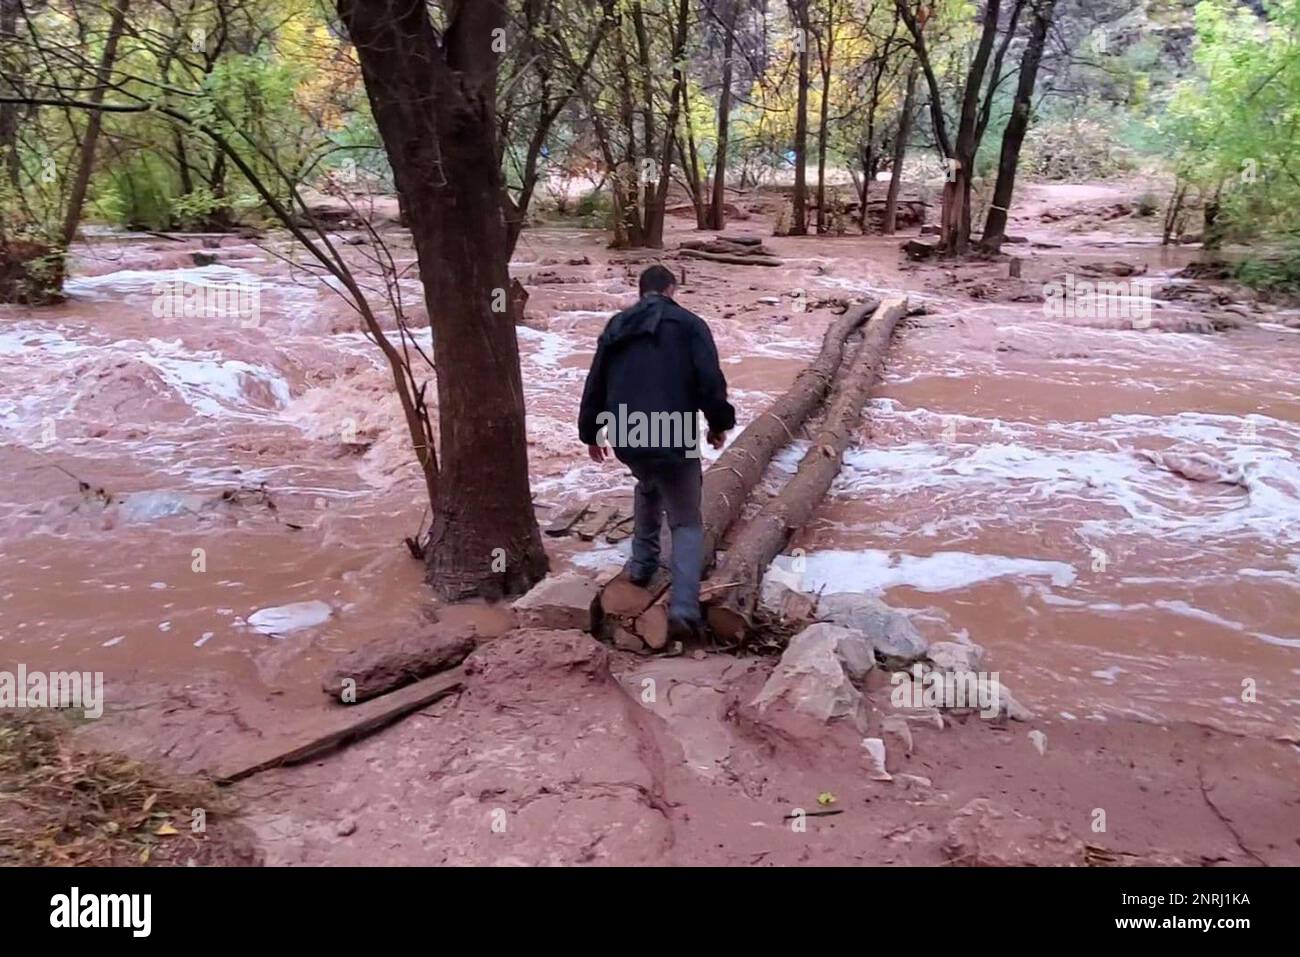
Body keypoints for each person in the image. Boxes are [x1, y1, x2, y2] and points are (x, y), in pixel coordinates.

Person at [578, 264, 736, 640]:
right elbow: (709, 382)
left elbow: (595, 381)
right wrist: (718, 425)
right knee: (685, 520)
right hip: (671, 431)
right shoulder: (690, 325)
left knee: (648, 482)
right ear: (671, 289)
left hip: (626, 432)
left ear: (640, 291)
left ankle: (641, 566)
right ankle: (683, 610)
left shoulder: (617, 325)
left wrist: (590, 432)